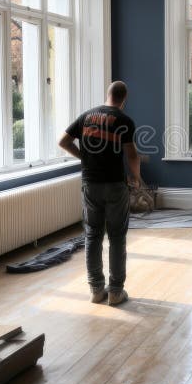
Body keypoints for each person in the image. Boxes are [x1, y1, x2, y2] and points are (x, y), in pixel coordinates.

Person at [59, 81, 141, 306]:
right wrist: (137, 178)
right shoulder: (124, 121)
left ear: (107, 94)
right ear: (124, 99)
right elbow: (132, 155)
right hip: (115, 184)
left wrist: (84, 157)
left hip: (90, 184)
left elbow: (63, 141)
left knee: (93, 235)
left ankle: (96, 290)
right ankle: (115, 292)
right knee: (117, 237)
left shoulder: (86, 116)